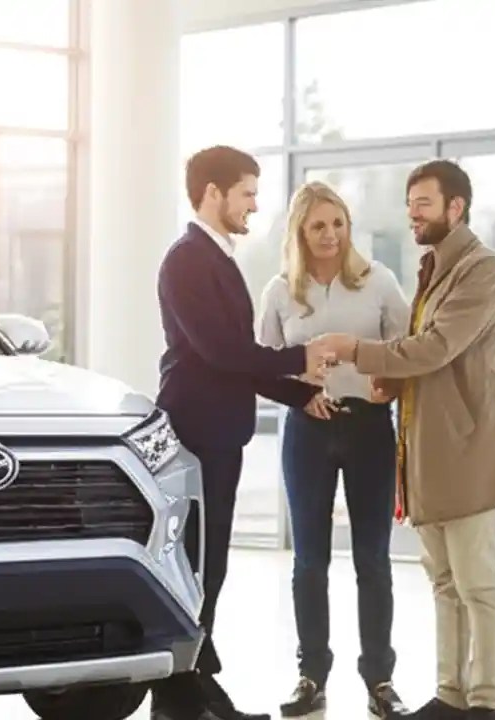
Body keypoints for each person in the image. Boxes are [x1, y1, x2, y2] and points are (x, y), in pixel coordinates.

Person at [313, 159, 495, 720]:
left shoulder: (483, 269)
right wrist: (392, 377)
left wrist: (355, 350)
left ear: (456, 208)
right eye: (410, 202)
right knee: (442, 581)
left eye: (424, 203)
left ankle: (486, 701)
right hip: (428, 451)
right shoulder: (434, 268)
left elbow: (436, 347)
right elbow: (426, 355)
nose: (412, 212)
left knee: (476, 584)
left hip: (469, 452)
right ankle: (450, 694)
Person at [154, 145, 336, 720]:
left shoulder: (217, 256)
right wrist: (301, 358)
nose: (256, 205)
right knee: (196, 563)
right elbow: (220, 351)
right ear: (213, 192)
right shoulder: (187, 259)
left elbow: (231, 361)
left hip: (218, 432)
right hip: (197, 431)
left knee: (210, 565)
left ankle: (194, 687)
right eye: (248, 193)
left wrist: (300, 394)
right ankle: (181, 696)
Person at [256, 181, 411, 719]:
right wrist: (301, 396)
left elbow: (407, 350)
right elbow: (264, 367)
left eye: (338, 223)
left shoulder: (379, 281)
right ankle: (311, 675)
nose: (330, 234)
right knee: (309, 563)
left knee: (373, 559)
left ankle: (380, 680)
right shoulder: (280, 292)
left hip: (369, 427)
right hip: (307, 432)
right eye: (318, 225)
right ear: (300, 231)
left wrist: (390, 385)